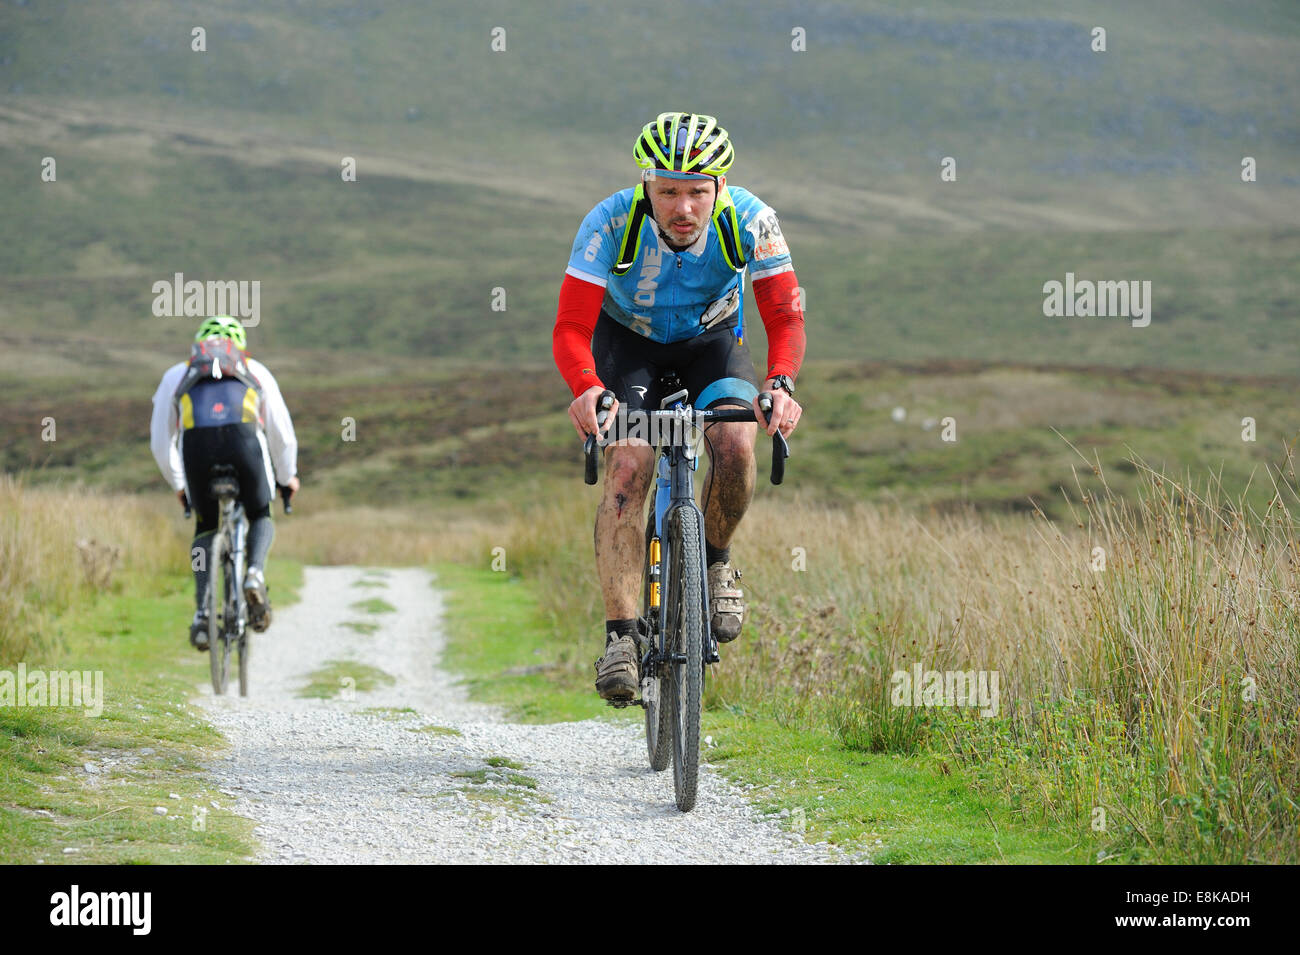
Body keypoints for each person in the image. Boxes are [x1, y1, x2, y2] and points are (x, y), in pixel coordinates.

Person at [552, 111, 807, 701]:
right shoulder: (609, 222)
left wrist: (782, 384)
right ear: (647, 187)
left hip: (713, 344)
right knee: (626, 467)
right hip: (627, 344)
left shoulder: (751, 219)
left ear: (720, 187)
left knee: (736, 444)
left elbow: (784, 314)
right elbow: (571, 325)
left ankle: (715, 562)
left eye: (697, 191)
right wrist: (588, 386)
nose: (683, 207)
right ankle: (620, 637)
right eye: (668, 191)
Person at [149, 316, 300, 650]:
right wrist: (286, 478)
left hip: (198, 453)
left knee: (205, 527)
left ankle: (203, 613)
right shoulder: (254, 369)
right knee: (260, 513)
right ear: (238, 345)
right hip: (245, 446)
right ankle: (254, 574)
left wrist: (179, 485)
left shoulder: (178, 374)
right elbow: (282, 436)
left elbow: (161, 443)